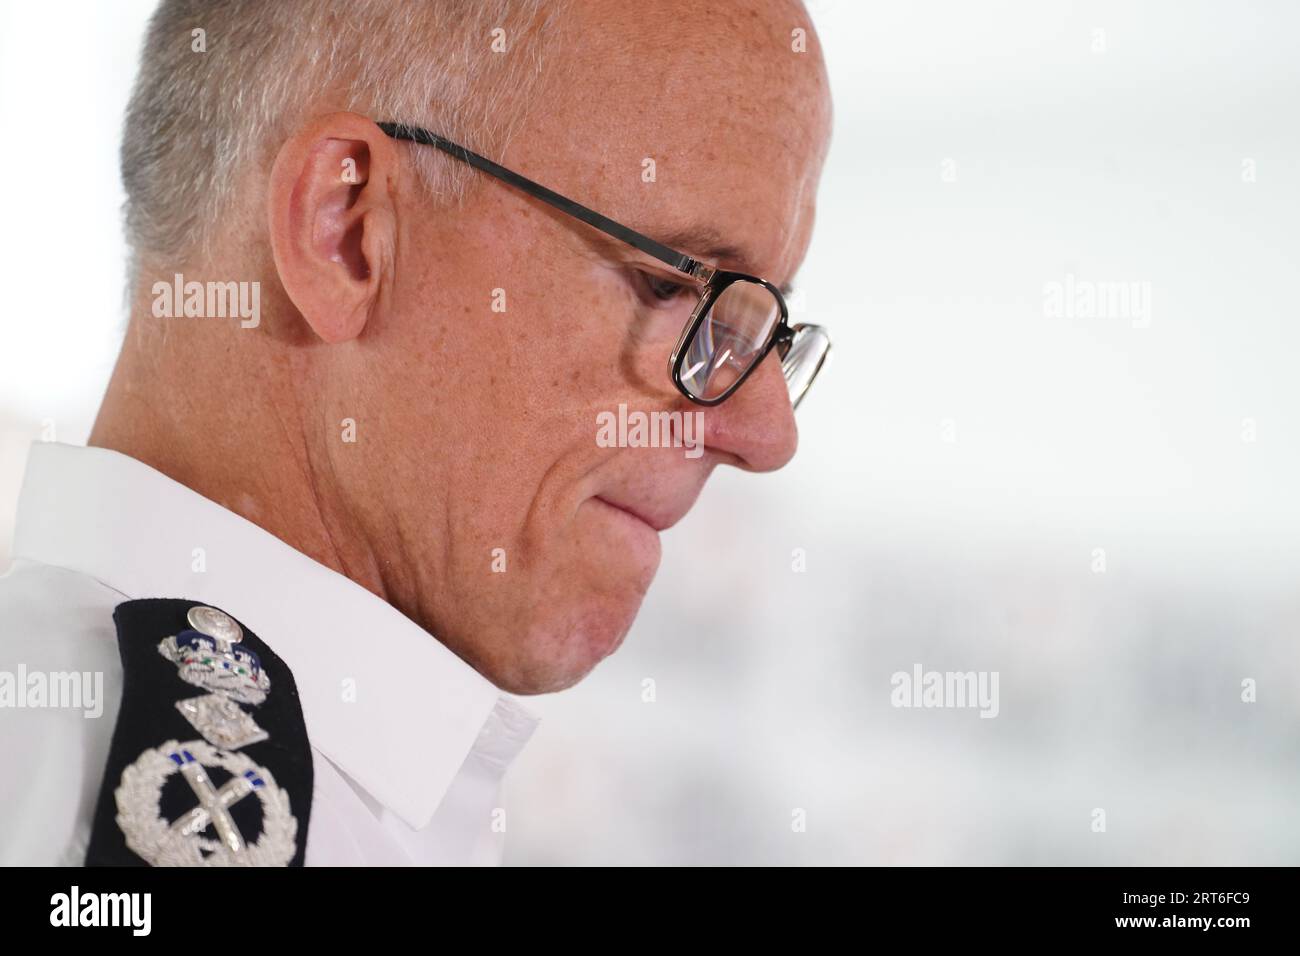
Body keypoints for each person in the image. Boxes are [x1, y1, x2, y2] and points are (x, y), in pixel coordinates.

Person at [0, 0, 832, 865]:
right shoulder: (138, 818)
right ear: (347, 233)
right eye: (671, 287)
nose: (765, 432)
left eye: (763, 327)